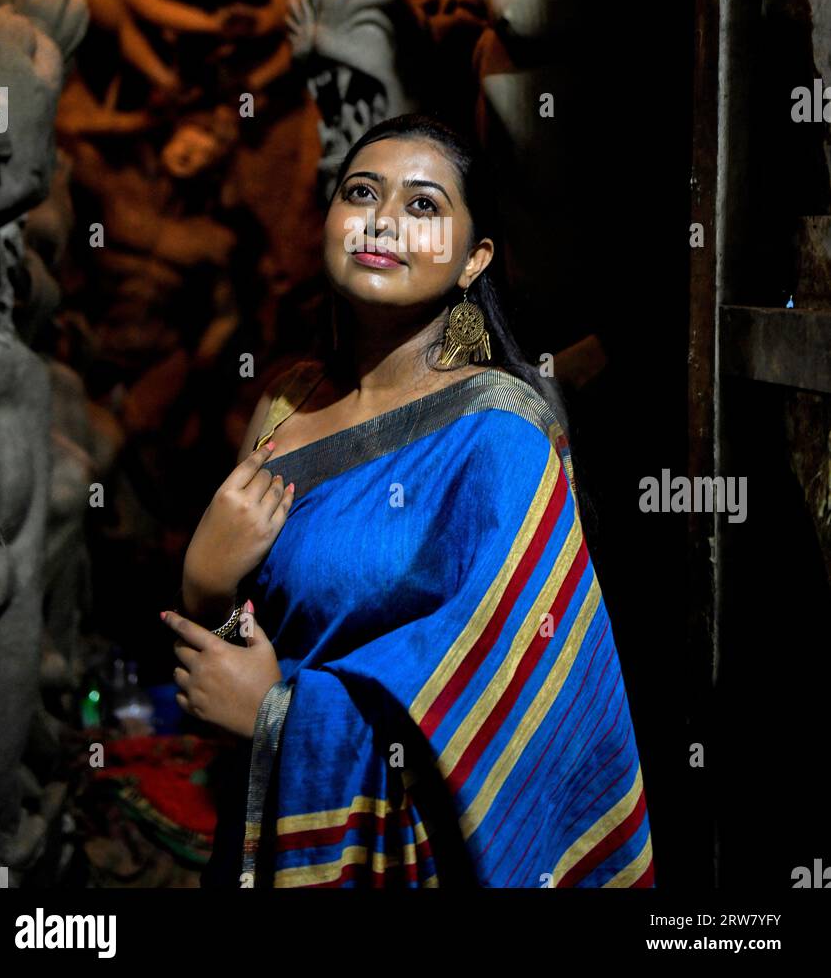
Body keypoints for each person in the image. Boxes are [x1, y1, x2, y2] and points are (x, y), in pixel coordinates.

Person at [163, 113, 653, 888]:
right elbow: (234, 658)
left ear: (474, 259)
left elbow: (517, 702)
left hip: (413, 859)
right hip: (274, 836)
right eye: (361, 192)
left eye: (424, 205)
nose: (383, 220)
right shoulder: (284, 406)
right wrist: (207, 587)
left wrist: (281, 715)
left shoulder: (500, 435)